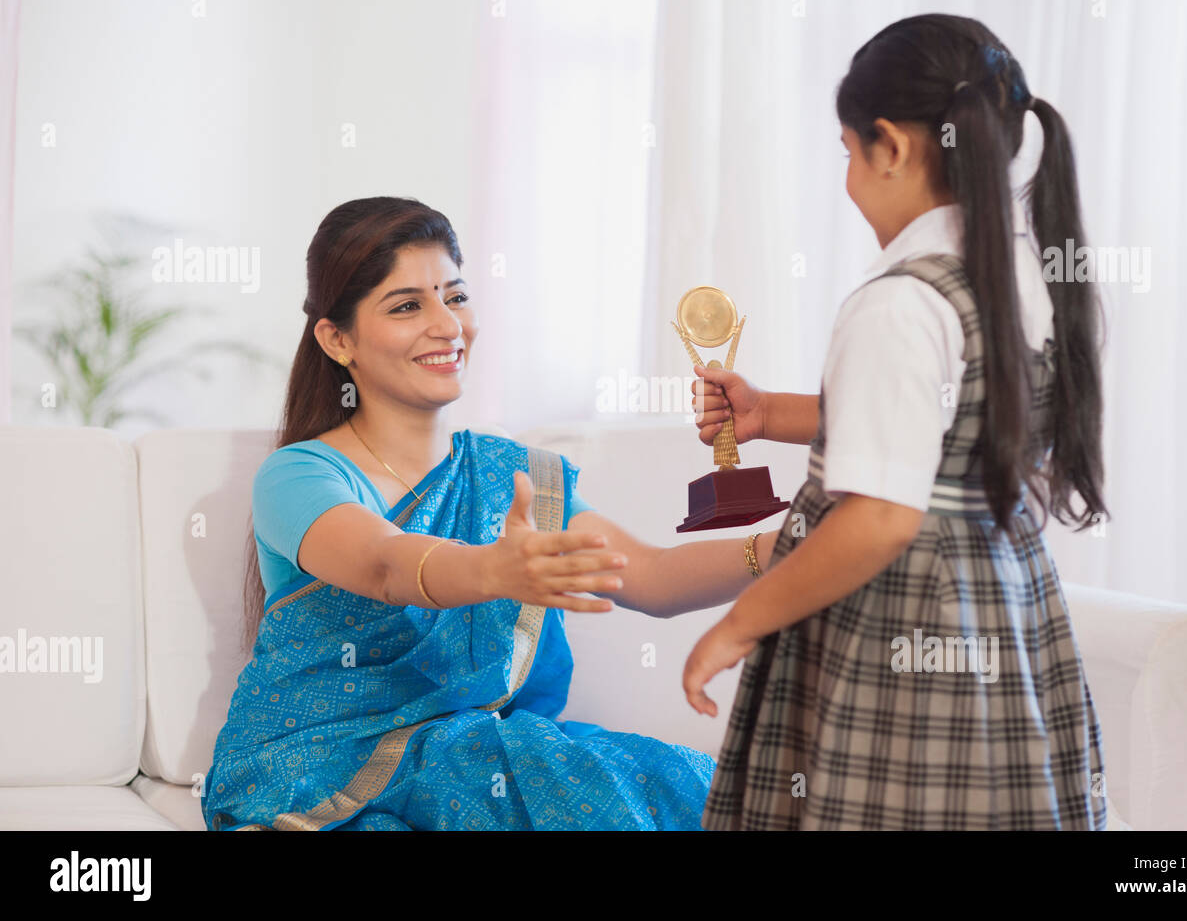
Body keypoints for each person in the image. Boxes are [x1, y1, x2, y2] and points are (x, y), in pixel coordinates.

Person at [202, 196, 782, 831]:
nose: (447, 326)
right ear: (338, 339)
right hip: (316, 769)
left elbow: (652, 576)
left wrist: (791, 542)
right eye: (406, 306)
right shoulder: (301, 474)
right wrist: (495, 570)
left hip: (471, 762)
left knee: (678, 784)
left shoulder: (516, 480)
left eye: (454, 297)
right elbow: (384, 564)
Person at [683, 14, 1109, 830]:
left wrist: (739, 621)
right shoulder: (1019, 273)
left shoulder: (900, 302)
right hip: (999, 600)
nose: (847, 179)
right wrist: (768, 412)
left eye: (848, 153)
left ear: (892, 146)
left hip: (898, 614)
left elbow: (881, 515)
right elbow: (944, 431)